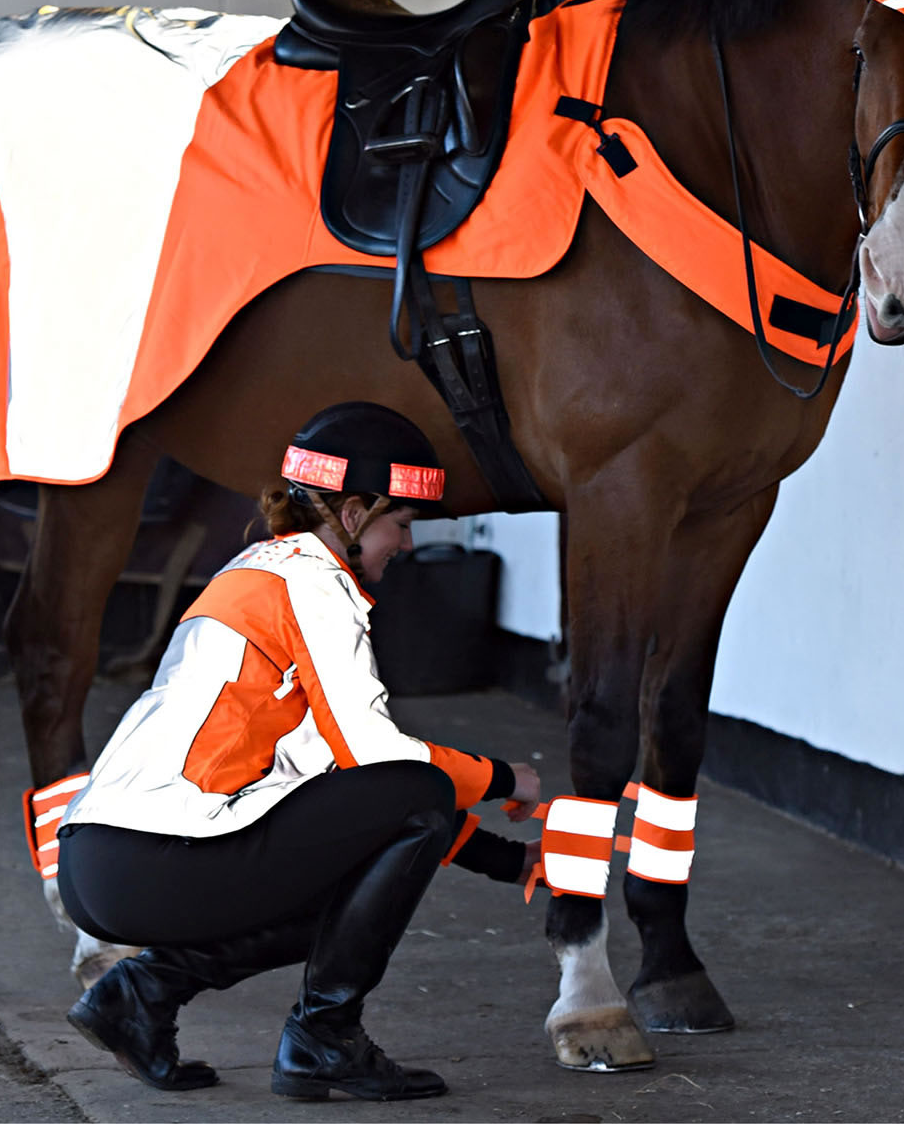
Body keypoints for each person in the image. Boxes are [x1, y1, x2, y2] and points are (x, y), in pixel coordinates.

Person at [56, 402, 541, 1102]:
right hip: (155, 855)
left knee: (365, 870)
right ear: (350, 513)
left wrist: (505, 859)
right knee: (406, 803)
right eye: (399, 525)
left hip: (108, 860)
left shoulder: (260, 568)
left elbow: (359, 791)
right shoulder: (314, 587)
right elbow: (380, 759)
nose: (404, 546)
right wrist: (502, 776)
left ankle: (139, 996)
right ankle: (325, 1039)